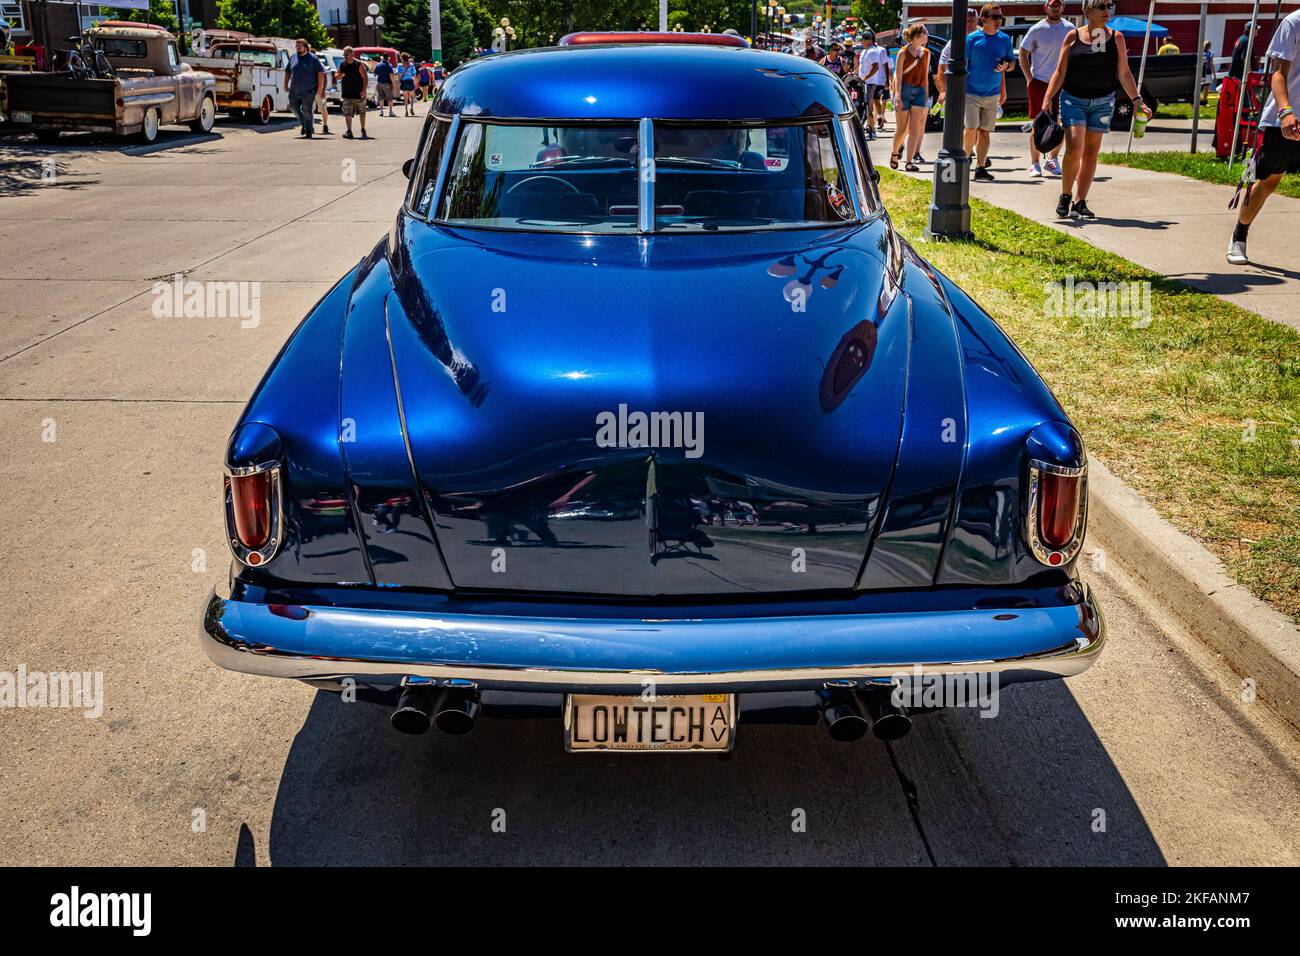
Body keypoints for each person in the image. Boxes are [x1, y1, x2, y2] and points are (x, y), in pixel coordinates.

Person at [1043, 0, 1151, 219]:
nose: (1106, 11)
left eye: (1109, 6)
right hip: (1074, 99)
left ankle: (1080, 201)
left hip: (1103, 101)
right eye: (1101, 6)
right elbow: (1060, 72)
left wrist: (1137, 100)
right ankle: (1065, 195)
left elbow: (1124, 73)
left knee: (1091, 153)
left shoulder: (1117, 38)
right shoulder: (1073, 37)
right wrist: (1047, 99)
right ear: (1087, 10)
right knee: (1075, 146)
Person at [1227, 8, 1300, 264]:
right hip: (1289, 118)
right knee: (1269, 181)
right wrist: (1286, 112)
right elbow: (1278, 74)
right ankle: (1239, 235)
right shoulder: (1294, 22)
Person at [1019, 0, 1072, 177]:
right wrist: (1029, 79)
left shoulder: (1070, 28)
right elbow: (1023, 53)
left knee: (1061, 124)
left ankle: (1052, 160)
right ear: (1046, 8)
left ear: (1063, 8)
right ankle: (1034, 163)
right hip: (1040, 82)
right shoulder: (1037, 29)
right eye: (1052, 5)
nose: (1055, 8)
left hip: (1063, 83)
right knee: (1038, 124)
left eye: (1058, 5)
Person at [964, 3, 1015, 182]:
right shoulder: (971, 40)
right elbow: (962, 66)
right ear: (984, 19)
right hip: (971, 92)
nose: (999, 20)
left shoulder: (1005, 39)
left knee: (985, 131)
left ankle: (981, 167)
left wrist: (1006, 66)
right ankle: (965, 160)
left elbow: (1012, 63)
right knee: (970, 128)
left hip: (992, 93)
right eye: (995, 17)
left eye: (1000, 17)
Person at [889, 24, 931, 172]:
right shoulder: (903, 52)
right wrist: (898, 96)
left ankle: (909, 161)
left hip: (919, 90)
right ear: (917, 36)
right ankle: (895, 154)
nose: (927, 35)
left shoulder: (926, 53)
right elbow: (898, 77)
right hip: (904, 90)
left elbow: (925, 76)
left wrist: (926, 98)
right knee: (901, 129)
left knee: (915, 129)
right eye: (925, 33)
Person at [935, 6, 980, 112]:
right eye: (968, 21)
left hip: (980, 91)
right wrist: (943, 91)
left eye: (973, 21)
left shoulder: (984, 40)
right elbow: (942, 68)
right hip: (960, 91)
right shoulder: (953, 43)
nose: (970, 24)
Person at [284, 38, 325, 139]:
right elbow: (288, 71)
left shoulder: (313, 58)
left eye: (300, 46)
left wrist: (320, 89)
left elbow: (320, 73)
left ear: (305, 47)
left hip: (309, 90)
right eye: (296, 46)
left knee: (307, 110)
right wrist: (285, 84)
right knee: (292, 107)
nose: (298, 48)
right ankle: (305, 124)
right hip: (294, 90)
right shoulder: (293, 58)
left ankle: (308, 132)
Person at [857, 30, 891, 139]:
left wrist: (866, 78)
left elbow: (876, 67)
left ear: (867, 40)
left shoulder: (872, 51)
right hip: (864, 82)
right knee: (866, 104)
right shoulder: (865, 51)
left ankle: (871, 128)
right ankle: (870, 126)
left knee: (869, 105)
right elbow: (862, 66)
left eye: (862, 40)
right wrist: (854, 74)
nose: (861, 42)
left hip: (870, 83)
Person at [336, 46, 370, 140]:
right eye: (344, 54)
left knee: (362, 113)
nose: (345, 56)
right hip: (347, 93)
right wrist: (339, 75)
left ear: (352, 54)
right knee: (347, 113)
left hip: (358, 94)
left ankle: (363, 129)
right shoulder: (343, 64)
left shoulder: (359, 64)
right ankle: (349, 131)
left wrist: (364, 90)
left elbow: (365, 78)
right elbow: (337, 74)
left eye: (346, 54)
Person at [314, 48, 332, 134]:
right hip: (309, 90)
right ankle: (310, 126)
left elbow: (324, 79)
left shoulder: (320, 65)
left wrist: (323, 90)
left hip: (319, 90)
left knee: (323, 109)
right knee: (309, 109)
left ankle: (325, 125)